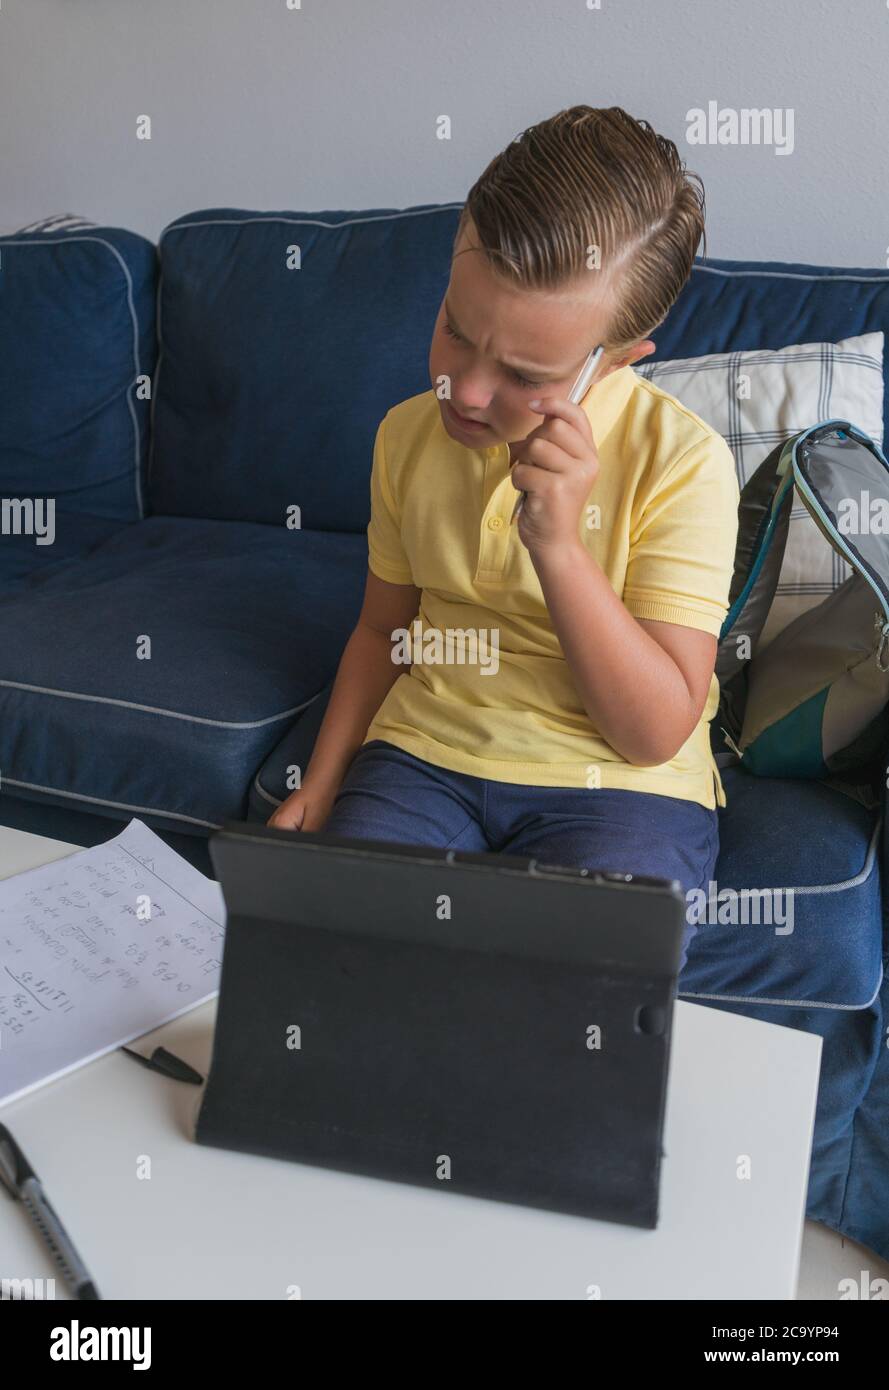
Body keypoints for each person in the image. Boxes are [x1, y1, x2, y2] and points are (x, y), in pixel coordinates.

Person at [268, 104, 740, 971]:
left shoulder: (683, 463)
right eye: (455, 327)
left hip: (621, 788)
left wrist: (558, 546)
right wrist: (324, 781)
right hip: (428, 754)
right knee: (339, 971)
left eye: (524, 375)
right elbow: (382, 631)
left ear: (619, 359)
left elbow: (650, 732)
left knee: (570, 1001)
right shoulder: (406, 438)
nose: (465, 390)